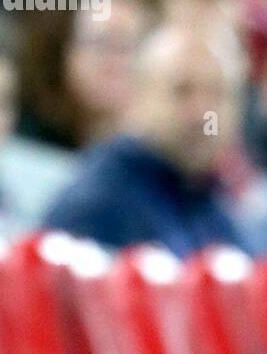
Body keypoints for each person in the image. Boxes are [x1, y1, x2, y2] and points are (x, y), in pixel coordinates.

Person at [43, 21, 253, 257]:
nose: (202, 114)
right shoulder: (98, 206)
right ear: (138, 95)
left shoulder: (214, 208)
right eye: (182, 90)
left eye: (218, 94)